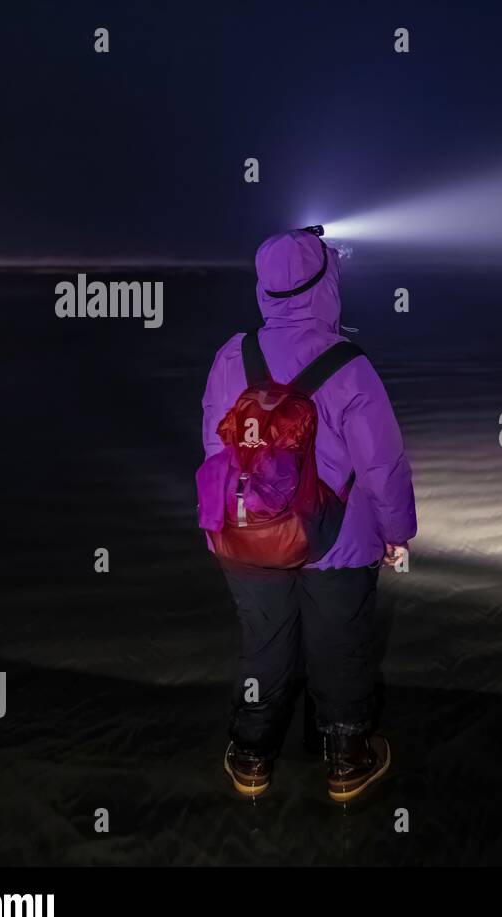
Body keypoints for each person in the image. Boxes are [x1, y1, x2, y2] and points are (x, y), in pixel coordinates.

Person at [199, 228, 416, 802]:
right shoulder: (349, 364)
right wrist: (397, 534)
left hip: (247, 536)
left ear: (264, 288)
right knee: (339, 646)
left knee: (262, 645)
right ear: (327, 284)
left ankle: (250, 758)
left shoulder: (232, 355)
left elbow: (216, 450)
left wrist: (225, 523)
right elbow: (382, 464)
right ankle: (346, 762)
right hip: (338, 542)